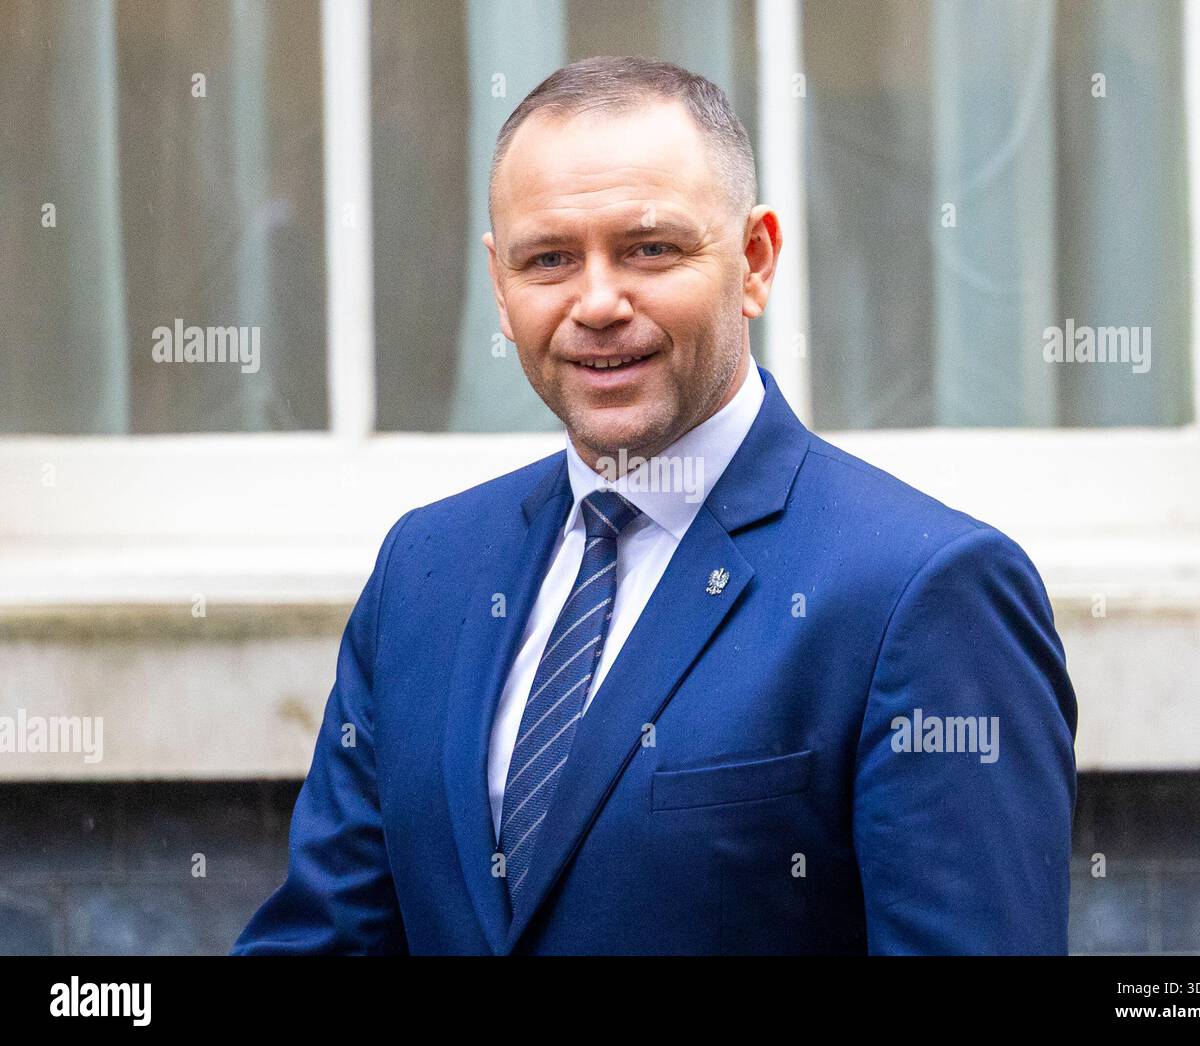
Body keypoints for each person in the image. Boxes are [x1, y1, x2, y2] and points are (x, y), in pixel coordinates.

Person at [232, 55, 1077, 956]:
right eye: (549, 258)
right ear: (501, 286)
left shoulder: (926, 593)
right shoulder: (427, 569)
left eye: (649, 249)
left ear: (754, 261)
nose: (597, 303)